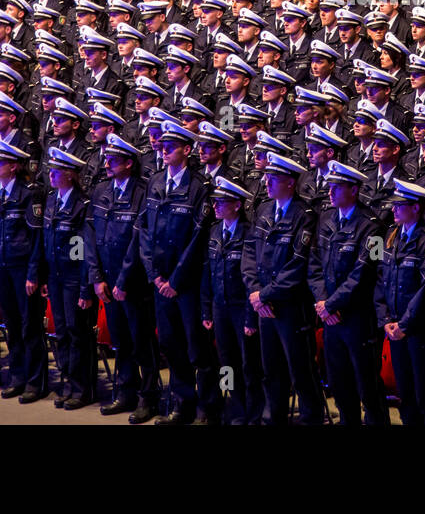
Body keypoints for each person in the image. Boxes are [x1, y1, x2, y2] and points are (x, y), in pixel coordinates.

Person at [138, 120, 219, 425]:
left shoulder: (199, 187)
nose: (164, 150)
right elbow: (145, 231)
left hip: (187, 284)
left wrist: (175, 280)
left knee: (197, 348)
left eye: (171, 147)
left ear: (187, 149)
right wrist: (156, 276)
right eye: (163, 146)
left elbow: (198, 240)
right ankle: (182, 404)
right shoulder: (156, 182)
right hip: (161, 283)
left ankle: (207, 408)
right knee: (171, 345)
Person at [242, 151, 325, 424]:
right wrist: (256, 293)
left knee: (301, 368)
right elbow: (250, 254)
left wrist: (264, 295)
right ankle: (273, 416)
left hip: (290, 306)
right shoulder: (265, 210)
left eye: (273, 178)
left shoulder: (305, 215)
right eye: (266, 177)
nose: (266, 183)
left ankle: (311, 417)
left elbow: (298, 264)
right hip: (264, 306)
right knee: (271, 367)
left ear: (290, 182)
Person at [88, 133, 161, 423]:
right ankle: (125, 391)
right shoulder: (102, 190)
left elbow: (138, 239)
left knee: (142, 341)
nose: (107, 164)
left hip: (133, 283)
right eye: (107, 159)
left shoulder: (143, 192)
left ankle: (148, 396)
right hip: (107, 281)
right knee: (120, 341)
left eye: (114, 160)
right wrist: (96, 276)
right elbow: (89, 235)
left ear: (129, 163)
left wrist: (122, 281)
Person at [308, 160, 387, 425]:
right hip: (331, 317)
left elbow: (364, 273)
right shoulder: (327, 218)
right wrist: (322, 302)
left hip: (357, 317)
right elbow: (314, 263)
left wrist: (331, 304)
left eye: (337, 187)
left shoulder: (372, 226)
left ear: (353, 190)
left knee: (367, 384)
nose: (330, 192)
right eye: (330, 186)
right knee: (338, 382)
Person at [374, 178, 425, 426]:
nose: (393, 209)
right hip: (395, 328)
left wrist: (403, 325)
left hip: (419, 330)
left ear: (416, 207)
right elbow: (380, 277)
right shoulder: (391, 235)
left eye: (399, 205)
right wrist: (385, 320)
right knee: (405, 393)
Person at [0, 139, 48, 403]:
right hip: (1, 266)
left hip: (23, 269)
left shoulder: (29, 193)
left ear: (13, 166)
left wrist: (34, 273)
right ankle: (17, 377)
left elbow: (36, 239)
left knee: (29, 326)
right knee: (10, 325)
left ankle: (35, 382)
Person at [201, 177, 265, 425]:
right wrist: (206, 310)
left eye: (222, 202)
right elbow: (208, 272)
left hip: (242, 308)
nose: (216, 206)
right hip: (220, 307)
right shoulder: (215, 231)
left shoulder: (250, 233)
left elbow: (252, 278)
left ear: (237, 205)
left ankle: (254, 413)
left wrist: (251, 317)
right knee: (226, 365)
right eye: (215, 201)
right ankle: (235, 409)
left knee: (249, 365)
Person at [39, 147, 98, 409]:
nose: (51, 175)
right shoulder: (52, 200)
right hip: (55, 276)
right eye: (51, 170)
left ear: (71, 175)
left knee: (78, 333)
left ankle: (82, 388)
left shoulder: (82, 205)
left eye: (57, 171)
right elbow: (45, 241)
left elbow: (85, 250)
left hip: (74, 278)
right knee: (61, 332)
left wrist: (86, 289)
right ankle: (67, 383)